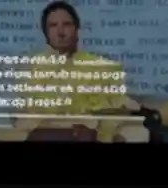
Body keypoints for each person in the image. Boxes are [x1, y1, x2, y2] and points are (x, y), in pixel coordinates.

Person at [15, 1, 143, 142]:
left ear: (77, 29)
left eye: (67, 25)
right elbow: (27, 118)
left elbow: (114, 117)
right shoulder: (33, 67)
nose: (60, 32)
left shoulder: (102, 67)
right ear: (46, 33)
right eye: (53, 26)